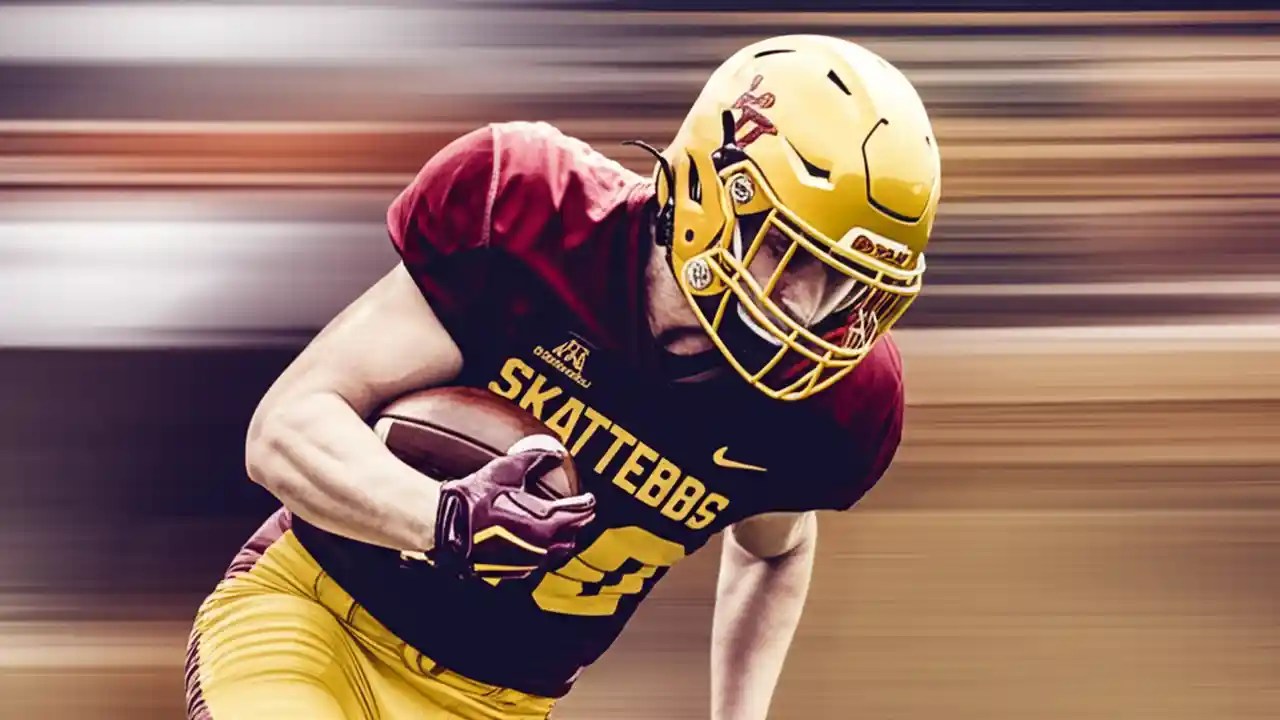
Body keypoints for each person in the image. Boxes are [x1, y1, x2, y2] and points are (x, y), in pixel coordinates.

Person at [185, 34, 941, 720]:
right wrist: (444, 518)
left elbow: (776, 546)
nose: (806, 306)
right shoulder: (531, 216)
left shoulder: (831, 405)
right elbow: (285, 427)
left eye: (844, 282)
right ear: (714, 190)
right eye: (789, 252)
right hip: (318, 618)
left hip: (497, 706)